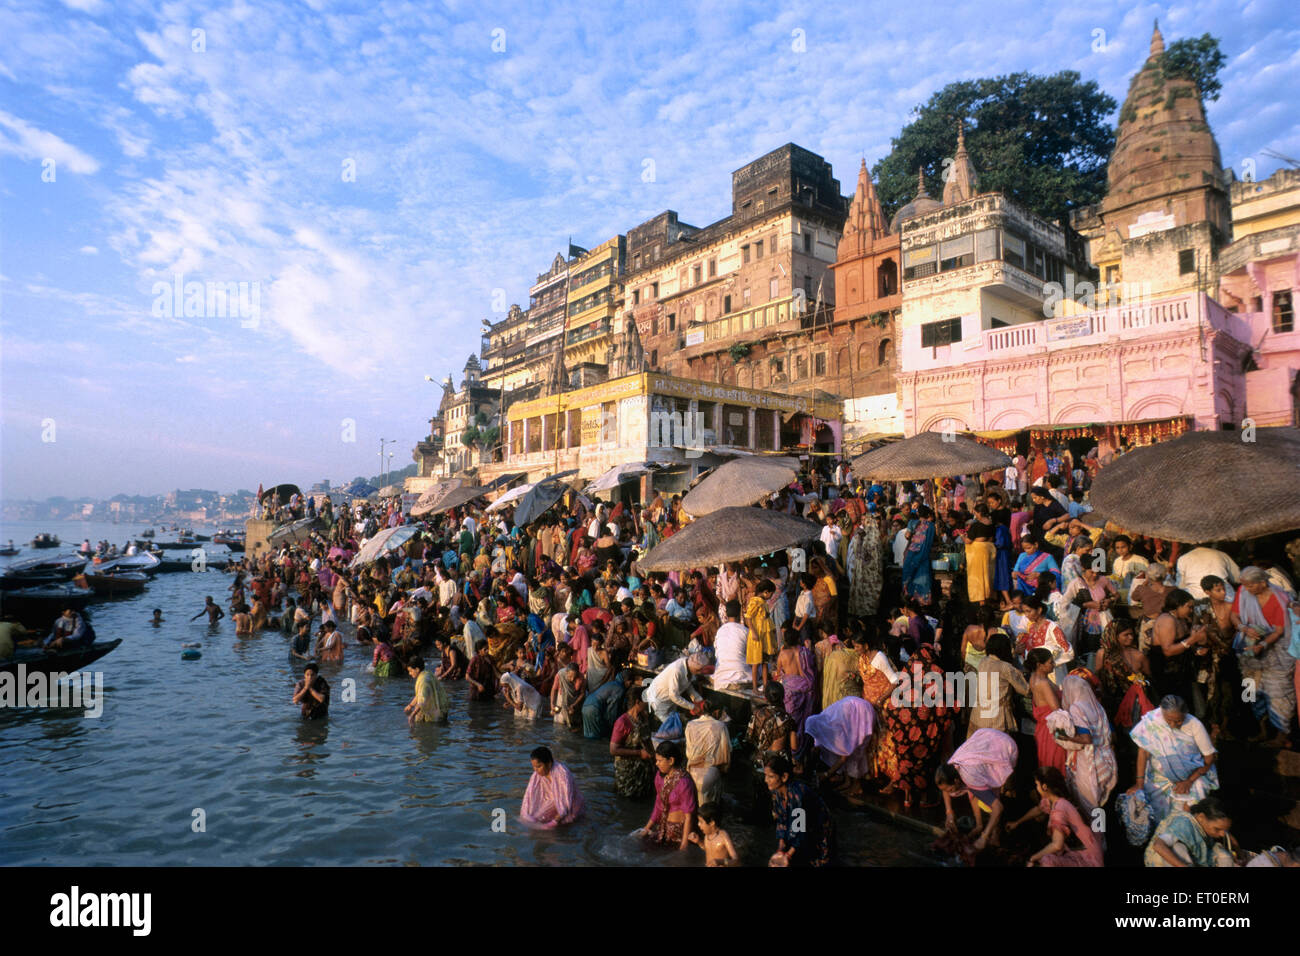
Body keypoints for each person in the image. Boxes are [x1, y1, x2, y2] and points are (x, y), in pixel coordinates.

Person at [1127, 695, 1219, 827]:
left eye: (1179, 721)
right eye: (1169, 720)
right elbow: (1143, 751)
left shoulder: (1194, 725)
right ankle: (1160, 840)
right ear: (1162, 711)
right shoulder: (1152, 721)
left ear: (1185, 714)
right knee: (1158, 818)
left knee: (1187, 816)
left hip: (1194, 776)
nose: (1173, 725)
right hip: (1159, 777)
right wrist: (1139, 783)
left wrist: (1189, 781)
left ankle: (1185, 836)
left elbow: (1209, 757)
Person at [1232, 565, 1296, 746]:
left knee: (1279, 693)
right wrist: (1244, 628)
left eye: (1251, 585)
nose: (1247, 589)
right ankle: (1260, 728)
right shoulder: (1243, 591)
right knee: (1251, 690)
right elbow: (1234, 616)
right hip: (1248, 650)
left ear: (1262, 583)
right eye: (1245, 585)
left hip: (1276, 651)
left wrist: (1263, 644)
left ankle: (1282, 735)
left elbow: (1279, 630)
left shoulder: (1280, 598)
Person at [936, 728, 1019, 851]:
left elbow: (998, 807)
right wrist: (949, 813)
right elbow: (944, 787)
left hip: (1004, 746)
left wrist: (983, 838)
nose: (949, 792)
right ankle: (980, 825)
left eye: (950, 789)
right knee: (975, 790)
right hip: (985, 739)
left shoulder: (970, 777)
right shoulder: (949, 768)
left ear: (956, 781)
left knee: (991, 792)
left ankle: (996, 832)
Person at [1007, 767, 1104, 867]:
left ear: (1044, 786)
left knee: (1047, 860)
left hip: (1087, 859)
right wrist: (1017, 822)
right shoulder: (1054, 800)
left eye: (1037, 784)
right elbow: (1039, 809)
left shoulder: (1060, 809)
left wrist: (1033, 858)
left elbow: (1057, 845)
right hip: (1084, 852)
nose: (1036, 787)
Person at [1059, 674, 1118, 816]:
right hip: (1106, 762)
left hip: (1089, 765)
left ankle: (1098, 836)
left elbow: (1086, 739)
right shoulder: (1097, 706)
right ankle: (1104, 832)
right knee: (1102, 806)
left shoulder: (1076, 708)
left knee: (1092, 807)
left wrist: (1063, 736)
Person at [764, 753, 834, 867]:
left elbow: (799, 829)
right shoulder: (776, 792)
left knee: (818, 860)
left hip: (819, 827)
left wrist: (788, 855)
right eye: (765, 775)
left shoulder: (797, 795)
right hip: (802, 827)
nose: (766, 780)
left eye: (771, 776)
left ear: (784, 777)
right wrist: (780, 849)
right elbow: (781, 821)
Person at [804, 695, 875, 801]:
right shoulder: (820, 723)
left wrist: (826, 774)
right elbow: (818, 746)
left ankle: (857, 785)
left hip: (862, 712)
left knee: (854, 749)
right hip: (851, 710)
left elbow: (844, 757)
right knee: (846, 747)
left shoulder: (834, 731)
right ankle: (847, 782)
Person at [636, 742, 697, 850]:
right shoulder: (659, 777)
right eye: (656, 760)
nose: (656, 764)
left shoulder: (684, 782)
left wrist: (684, 845)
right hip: (664, 828)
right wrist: (647, 828)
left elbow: (689, 817)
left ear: (671, 761)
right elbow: (658, 805)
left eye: (660, 760)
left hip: (679, 832)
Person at [1144, 795, 1235, 867]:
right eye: (1217, 829)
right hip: (1160, 861)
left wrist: (1237, 852)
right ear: (1201, 817)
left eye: (1225, 830)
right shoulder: (1183, 823)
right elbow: (1158, 845)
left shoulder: (1204, 829)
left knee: (1223, 855)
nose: (1222, 834)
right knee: (1178, 848)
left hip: (1190, 860)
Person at [520, 746, 585, 828]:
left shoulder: (562, 774)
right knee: (533, 819)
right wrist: (526, 814)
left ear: (549, 764)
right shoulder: (536, 775)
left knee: (565, 827)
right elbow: (529, 796)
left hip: (572, 805)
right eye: (534, 767)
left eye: (539, 766)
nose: (536, 770)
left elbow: (565, 805)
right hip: (553, 802)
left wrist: (553, 823)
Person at [610, 689, 655, 798]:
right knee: (627, 798)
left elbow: (647, 739)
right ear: (637, 702)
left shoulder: (643, 718)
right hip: (627, 772)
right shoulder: (622, 722)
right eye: (646, 700)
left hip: (643, 770)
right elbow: (613, 750)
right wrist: (639, 753)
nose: (649, 702)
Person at [684, 707, 732, 807]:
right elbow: (726, 753)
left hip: (691, 770)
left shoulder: (690, 724)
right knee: (709, 811)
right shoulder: (720, 726)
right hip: (710, 771)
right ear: (717, 711)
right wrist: (724, 770)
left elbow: (688, 751)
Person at [643, 652, 709, 721]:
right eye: (698, 670)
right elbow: (673, 696)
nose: (699, 673)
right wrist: (692, 707)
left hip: (670, 699)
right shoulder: (677, 670)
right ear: (693, 667)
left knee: (675, 719)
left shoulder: (688, 665)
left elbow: (688, 686)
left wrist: (699, 700)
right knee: (670, 726)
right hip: (659, 699)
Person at [712, 599, 751, 689]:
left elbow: (716, 654)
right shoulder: (746, 631)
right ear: (739, 613)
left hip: (720, 674)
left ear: (726, 613)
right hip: (741, 673)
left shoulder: (720, 630)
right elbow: (751, 657)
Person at [745, 583, 777, 690]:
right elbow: (748, 618)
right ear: (766, 592)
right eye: (771, 594)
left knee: (765, 662)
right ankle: (754, 687)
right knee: (756, 662)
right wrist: (753, 632)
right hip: (757, 635)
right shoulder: (755, 601)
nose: (771, 596)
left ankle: (765, 686)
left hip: (765, 637)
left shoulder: (764, 603)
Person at [405, 655, 449, 724]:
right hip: (442, 708)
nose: (409, 673)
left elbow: (422, 700)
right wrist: (410, 705)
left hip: (438, 714)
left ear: (417, 669)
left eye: (410, 671)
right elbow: (420, 695)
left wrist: (412, 715)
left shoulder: (424, 681)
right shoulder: (427, 673)